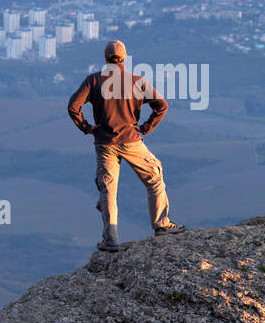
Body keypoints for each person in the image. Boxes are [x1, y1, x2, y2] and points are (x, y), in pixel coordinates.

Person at [67, 39, 185, 252]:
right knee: (154, 178)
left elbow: (73, 106)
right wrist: (146, 127)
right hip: (132, 139)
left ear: (105, 58)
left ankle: (110, 240)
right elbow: (162, 105)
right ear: (124, 58)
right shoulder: (137, 81)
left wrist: (87, 127)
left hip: (104, 142)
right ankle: (161, 224)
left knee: (108, 190)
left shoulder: (93, 81)